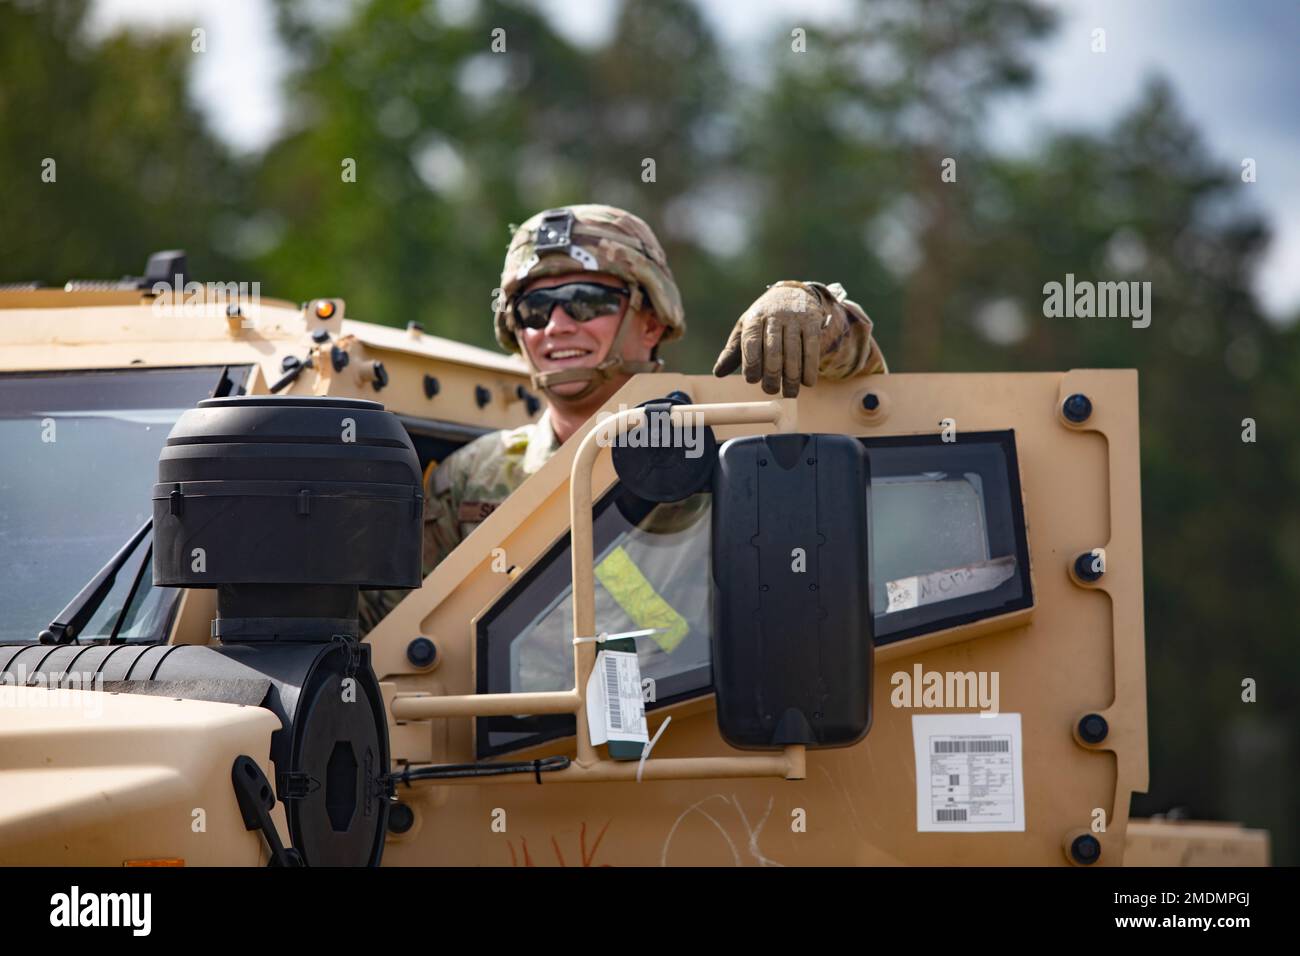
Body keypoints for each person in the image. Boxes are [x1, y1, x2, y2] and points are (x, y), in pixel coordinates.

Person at [358, 203, 887, 635]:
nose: (557, 325)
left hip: (693, 741)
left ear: (652, 322)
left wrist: (811, 312)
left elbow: (868, 405)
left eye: (585, 301)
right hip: (499, 755)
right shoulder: (470, 478)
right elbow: (393, 637)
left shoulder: (732, 448)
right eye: (534, 310)